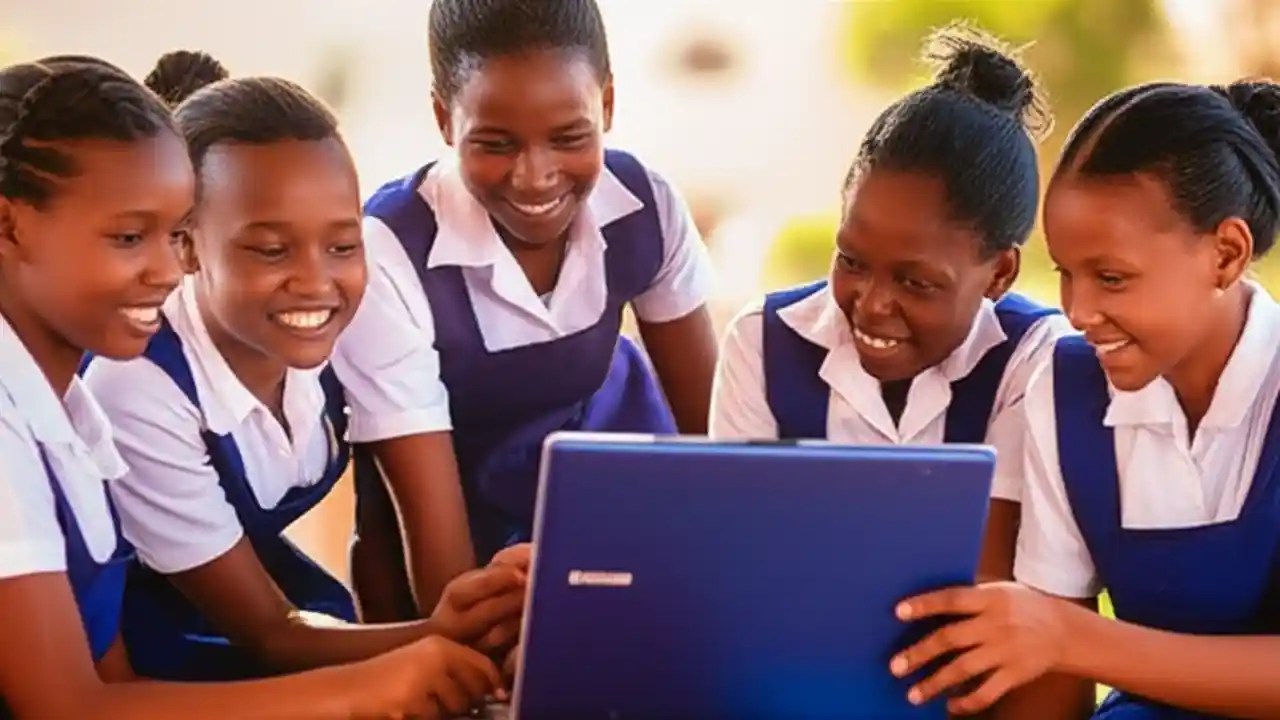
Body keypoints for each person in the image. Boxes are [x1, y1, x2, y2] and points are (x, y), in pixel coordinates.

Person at [0, 54, 502, 719]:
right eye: (129, 237)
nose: (163, 270)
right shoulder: (58, 413)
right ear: (9, 226)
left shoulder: (70, 413)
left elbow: (110, 682)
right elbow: (65, 706)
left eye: (171, 233)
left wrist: (451, 636)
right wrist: (371, 686)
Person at [893, 79, 1280, 719]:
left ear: (1226, 254)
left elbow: (1059, 638)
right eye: (1066, 275)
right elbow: (1049, 678)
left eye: (1111, 278)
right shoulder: (1065, 391)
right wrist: (1045, 641)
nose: (1077, 312)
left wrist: (1071, 638)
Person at [334, 0, 720, 620]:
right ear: (443, 117)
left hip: (620, 524)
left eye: (570, 137)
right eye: (495, 144)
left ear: (609, 104)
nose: (535, 176)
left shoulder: (644, 208)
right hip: (458, 561)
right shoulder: (389, 253)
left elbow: (718, 449)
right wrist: (495, 630)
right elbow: (447, 592)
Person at [710, 23, 1066, 579]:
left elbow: (990, 587)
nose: (872, 305)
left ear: (1000, 273)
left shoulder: (1032, 360)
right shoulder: (763, 343)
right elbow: (740, 559)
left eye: (916, 282)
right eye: (851, 261)